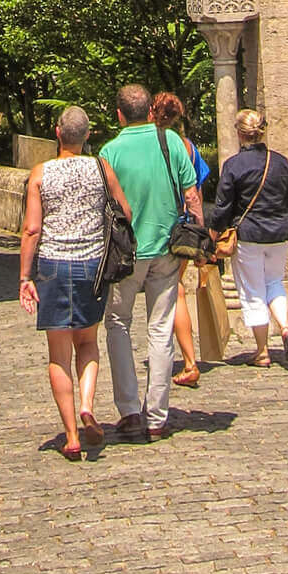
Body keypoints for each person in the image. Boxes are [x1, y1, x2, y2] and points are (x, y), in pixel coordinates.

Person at [18, 105, 133, 460]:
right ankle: (87, 405)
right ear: (87, 136)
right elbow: (125, 213)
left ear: (57, 133)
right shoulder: (101, 168)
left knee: (58, 356)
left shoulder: (41, 174)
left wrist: (25, 276)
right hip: (92, 266)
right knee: (87, 343)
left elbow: (31, 229)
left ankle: (70, 435)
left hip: (54, 267)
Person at [100, 84, 204, 441]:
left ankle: (129, 410)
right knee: (161, 328)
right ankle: (158, 415)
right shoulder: (171, 142)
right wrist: (199, 240)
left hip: (126, 253)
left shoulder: (109, 152)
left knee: (117, 323)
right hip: (166, 250)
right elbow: (192, 196)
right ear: (148, 112)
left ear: (119, 115)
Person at [209, 108, 288, 367]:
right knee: (274, 282)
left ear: (239, 133)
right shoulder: (281, 162)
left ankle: (262, 351)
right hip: (279, 234)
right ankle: (284, 327)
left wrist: (215, 233)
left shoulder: (234, 165)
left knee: (252, 292)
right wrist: (283, 223)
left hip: (249, 234)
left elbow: (223, 207)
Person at [150, 90, 210, 388]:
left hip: (163, 229)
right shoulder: (187, 146)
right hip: (186, 229)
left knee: (175, 293)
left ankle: (188, 361)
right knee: (175, 290)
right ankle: (186, 359)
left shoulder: (147, 145)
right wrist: (203, 235)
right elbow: (195, 192)